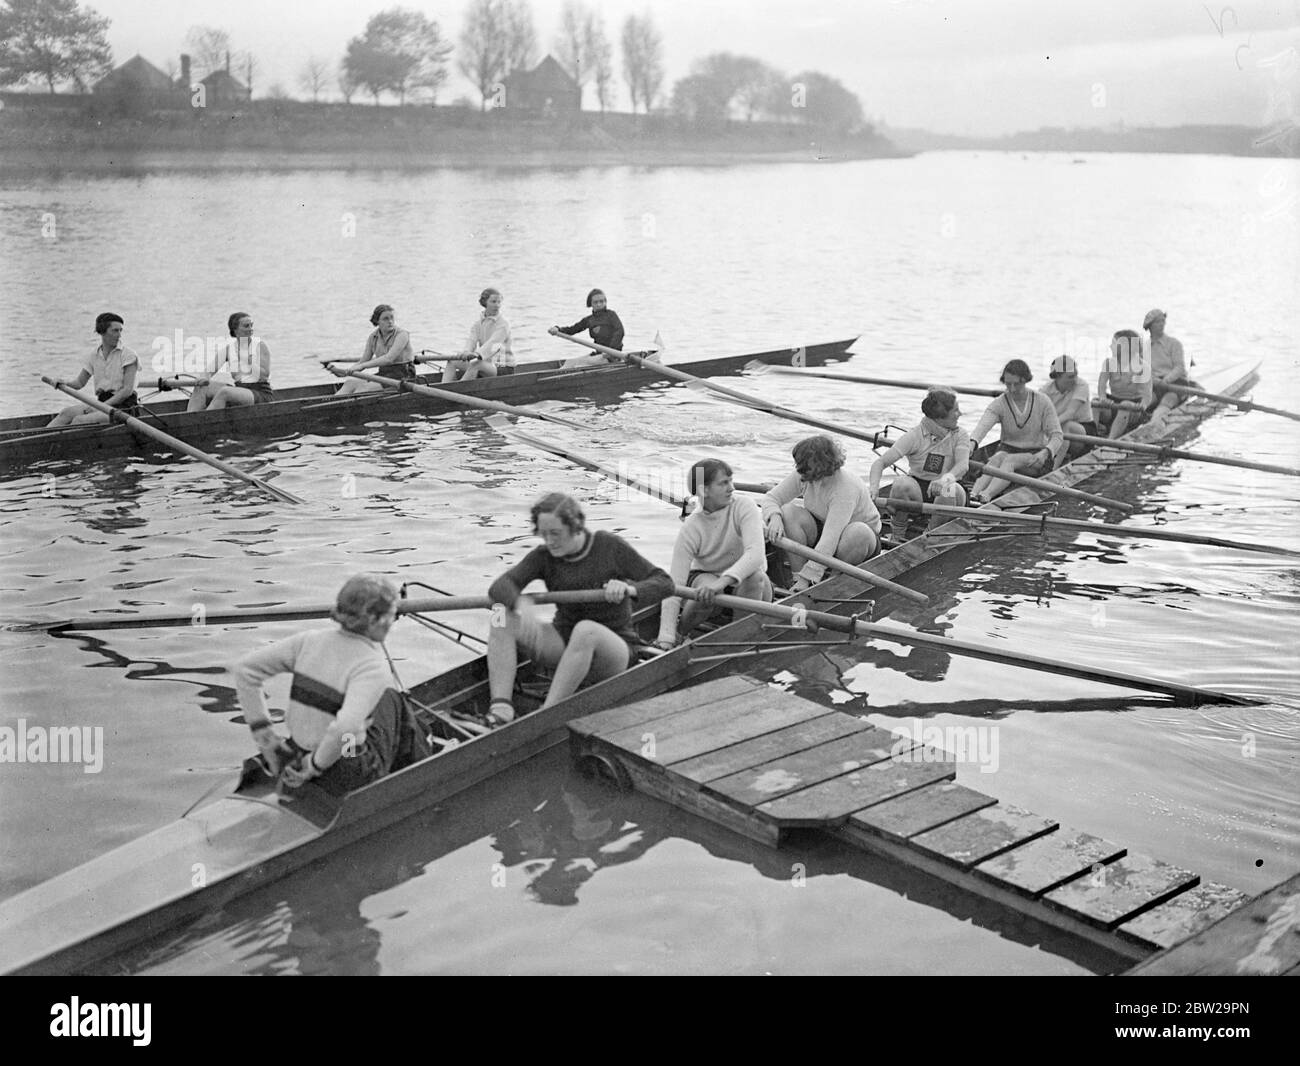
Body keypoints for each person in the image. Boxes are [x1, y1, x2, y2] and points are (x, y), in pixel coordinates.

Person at [485, 492, 674, 725]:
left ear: (575, 526)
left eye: (555, 533)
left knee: (586, 630)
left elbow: (665, 583)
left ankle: (546, 716)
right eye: (543, 534)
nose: (549, 541)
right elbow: (499, 587)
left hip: (615, 649)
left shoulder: (609, 546)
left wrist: (629, 589)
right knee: (499, 617)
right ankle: (501, 708)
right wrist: (521, 604)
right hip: (564, 644)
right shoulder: (544, 556)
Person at [233, 575, 431, 797]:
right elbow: (345, 727)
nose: (394, 620)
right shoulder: (371, 666)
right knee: (392, 698)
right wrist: (314, 766)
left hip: (296, 753)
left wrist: (266, 739)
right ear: (375, 621)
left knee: (352, 706)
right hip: (346, 768)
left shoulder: (308, 641)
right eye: (391, 614)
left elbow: (244, 670)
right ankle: (428, 775)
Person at [654, 458, 773, 649]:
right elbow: (675, 584)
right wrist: (665, 636)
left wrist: (722, 583)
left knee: (754, 577)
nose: (732, 488)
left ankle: (737, 640)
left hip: (748, 583)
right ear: (704, 491)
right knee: (705, 588)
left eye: (731, 481)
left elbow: (756, 555)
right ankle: (679, 635)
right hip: (706, 580)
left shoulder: (745, 506)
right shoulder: (692, 525)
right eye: (723, 483)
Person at [760, 435, 881, 592]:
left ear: (821, 465)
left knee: (858, 532)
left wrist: (809, 576)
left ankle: (830, 583)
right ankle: (798, 577)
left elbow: (830, 540)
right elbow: (772, 498)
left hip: (859, 541)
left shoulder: (845, 488)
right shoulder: (805, 473)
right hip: (823, 528)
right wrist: (774, 517)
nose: (799, 471)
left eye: (804, 466)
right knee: (787, 512)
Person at [868, 386, 969, 541]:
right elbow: (880, 463)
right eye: (955, 410)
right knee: (901, 483)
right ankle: (898, 533)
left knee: (948, 489)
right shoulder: (915, 435)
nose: (960, 414)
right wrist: (874, 488)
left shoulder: (960, 434)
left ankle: (929, 535)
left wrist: (944, 479)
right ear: (940, 418)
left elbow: (963, 466)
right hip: (920, 492)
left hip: (951, 493)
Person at [969, 358, 1063, 503]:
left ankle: (986, 496)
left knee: (1008, 460)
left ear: (1026, 380)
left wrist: (1046, 452)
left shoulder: (1042, 401)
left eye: (1017, 384)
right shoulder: (1000, 403)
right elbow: (982, 427)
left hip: (1036, 456)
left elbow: (1057, 436)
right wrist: (971, 444)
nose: (1012, 389)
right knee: (996, 458)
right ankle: (973, 495)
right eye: (1008, 384)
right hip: (1007, 451)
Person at [47, 312, 139, 427]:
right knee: (66, 413)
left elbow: (126, 391)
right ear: (102, 332)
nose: (119, 335)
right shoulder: (94, 355)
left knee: (80, 421)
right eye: (115, 331)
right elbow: (79, 383)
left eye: (121, 330)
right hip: (102, 404)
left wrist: (99, 407)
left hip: (124, 409)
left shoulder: (129, 355)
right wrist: (63, 382)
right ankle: (38, 443)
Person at [185, 312, 274, 411]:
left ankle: (202, 422)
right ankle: (190, 419)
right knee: (201, 387)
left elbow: (264, 375)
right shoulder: (229, 350)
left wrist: (247, 359)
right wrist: (203, 378)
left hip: (260, 393)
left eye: (251, 325)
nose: (250, 329)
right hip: (241, 390)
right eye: (246, 326)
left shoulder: (260, 346)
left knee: (225, 392)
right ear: (235, 330)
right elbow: (209, 371)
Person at [329, 304, 416, 396]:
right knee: (349, 383)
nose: (390, 321)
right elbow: (363, 361)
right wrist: (345, 372)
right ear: (377, 321)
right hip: (384, 373)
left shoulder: (402, 335)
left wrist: (362, 366)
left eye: (391, 318)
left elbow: (389, 359)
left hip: (404, 375)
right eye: (385, 319)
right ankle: (330, 406)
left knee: (363, 389)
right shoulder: (373, 337)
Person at [443, 288, 515, 382]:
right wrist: (466, 352)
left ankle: (458, 390)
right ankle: (442, 388)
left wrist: (477, 354)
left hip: (503, 367)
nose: (497, 305)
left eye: (499, 302)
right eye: (493, 302)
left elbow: (493, 343)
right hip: (486, 364)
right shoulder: (478, 324)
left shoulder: (503, 324)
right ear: (485, 303)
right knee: (452, 361)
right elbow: (471, 341)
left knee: (476, 364)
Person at [1096, 329, 1153, 439]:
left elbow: (1147, 395)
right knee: (1095, 403)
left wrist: (1143, 405)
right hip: (1114, 403)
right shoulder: (1108, 363)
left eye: (1114, 343)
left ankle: (1109, 441)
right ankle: (1092, 436)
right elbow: (1101, 385)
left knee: (1125, 404)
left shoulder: (1143, 367)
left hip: (1133, 408)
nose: (1110, 346)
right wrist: (1103, 398)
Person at [550, 288, 625, 368]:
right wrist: (558, 329)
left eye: (602, 301)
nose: (599, 304)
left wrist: (610, 351)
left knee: (580, 366)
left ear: (605, 302)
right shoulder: (589, 320)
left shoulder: (611, 315)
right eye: (596, 302)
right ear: (591, 304)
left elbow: (620, 332)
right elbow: (572, 330)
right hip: (599, 355)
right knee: (569, 363)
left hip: (612, 357)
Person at [1042, 354, 1096, 464]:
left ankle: (1054, 468)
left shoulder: (1082, 385)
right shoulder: (1045, 390)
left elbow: (1069, 414)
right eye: (1070, 377)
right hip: (1059, 428)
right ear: (1057, 377)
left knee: (1065, 424)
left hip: (1084, 432)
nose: (1075, 379)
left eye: (1076, 375)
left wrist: (1048, 426)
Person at [1143, 308, 1189, 429]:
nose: (1162, 324)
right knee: (1143, 403)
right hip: (1155, 384)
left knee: (1167, 402)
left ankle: (1152, 427)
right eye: (1158, 322)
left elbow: (1179, 368)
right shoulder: (1144, 348)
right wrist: (1154, 380)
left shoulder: (1174, 344)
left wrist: (1166, 381)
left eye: (1163, 321)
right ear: (1150, 326)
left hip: (1175, 383)